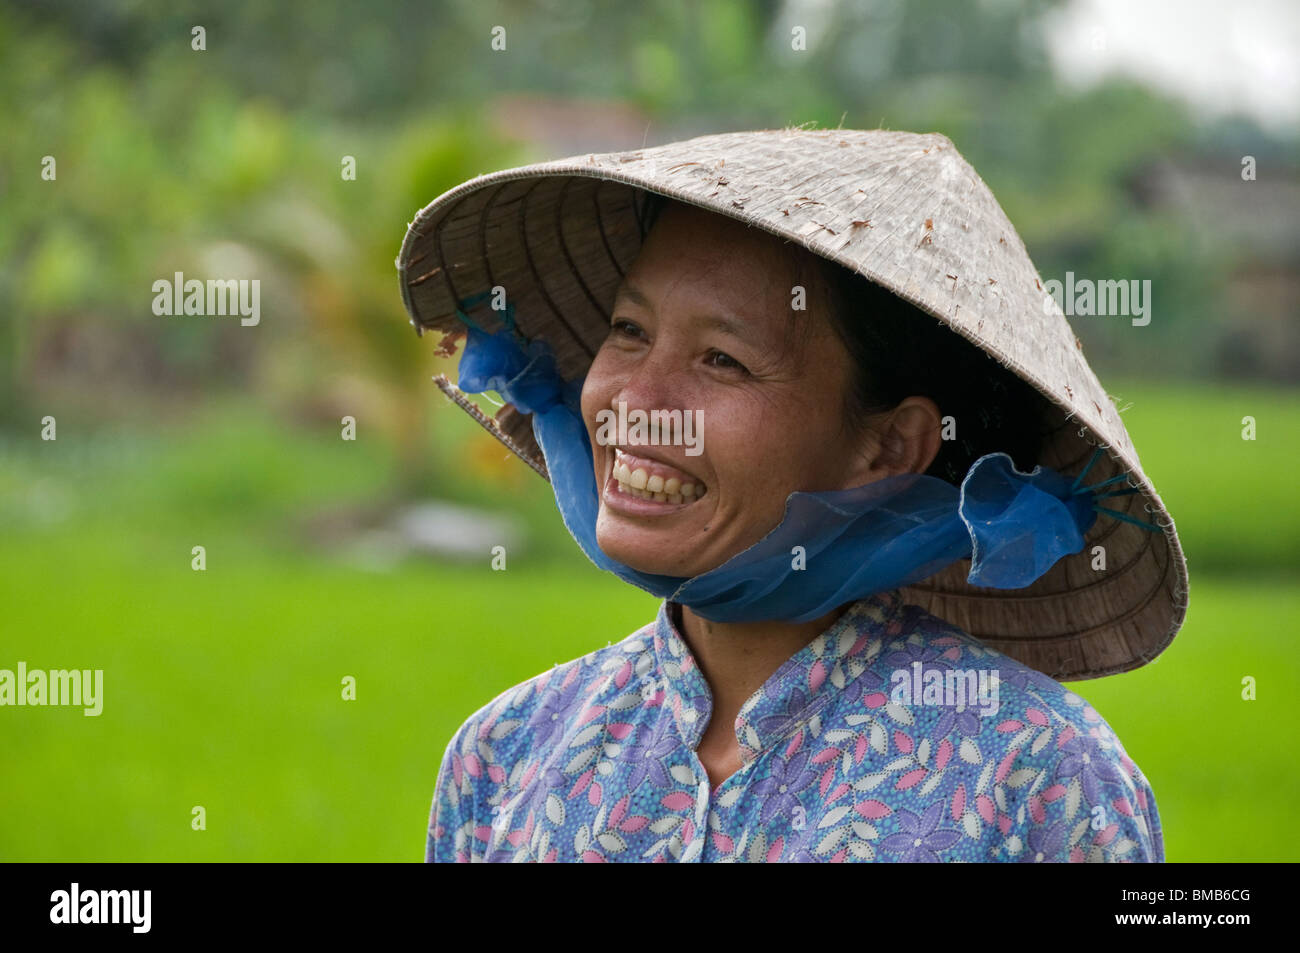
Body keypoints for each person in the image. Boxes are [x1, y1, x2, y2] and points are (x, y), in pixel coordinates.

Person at [396, 128, 1188, 862]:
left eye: (721, 360)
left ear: (887, 446)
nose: (634, 401)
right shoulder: (507, 755)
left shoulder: (1035, 776)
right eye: (629, 330)